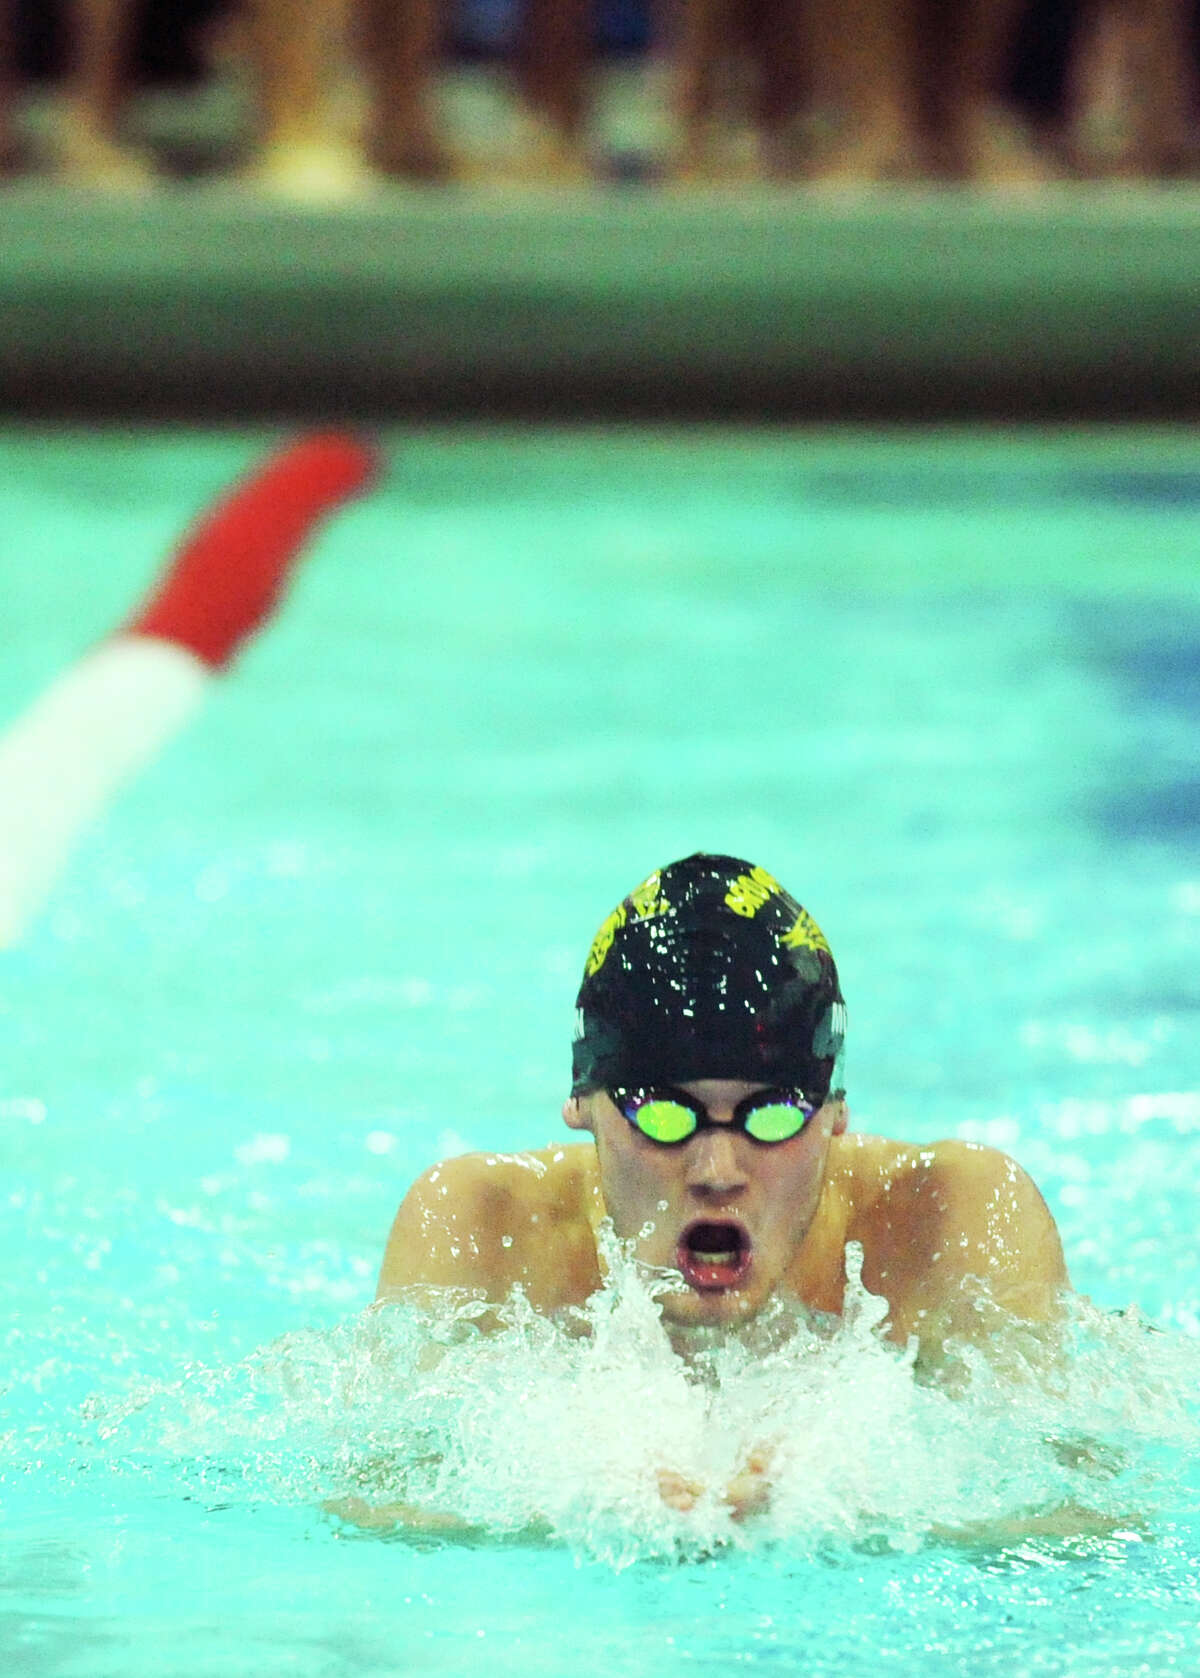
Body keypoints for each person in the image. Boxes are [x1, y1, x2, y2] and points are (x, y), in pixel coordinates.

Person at [377, 853, 1069, 1364]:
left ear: (834, 1111)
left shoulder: (954, 1220)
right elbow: (379, 1498)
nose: (717, 1171)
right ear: (583, 1102)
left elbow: (1072, 1496)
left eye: (772, 1115)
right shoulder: (480, 1230)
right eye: (664, 1116)